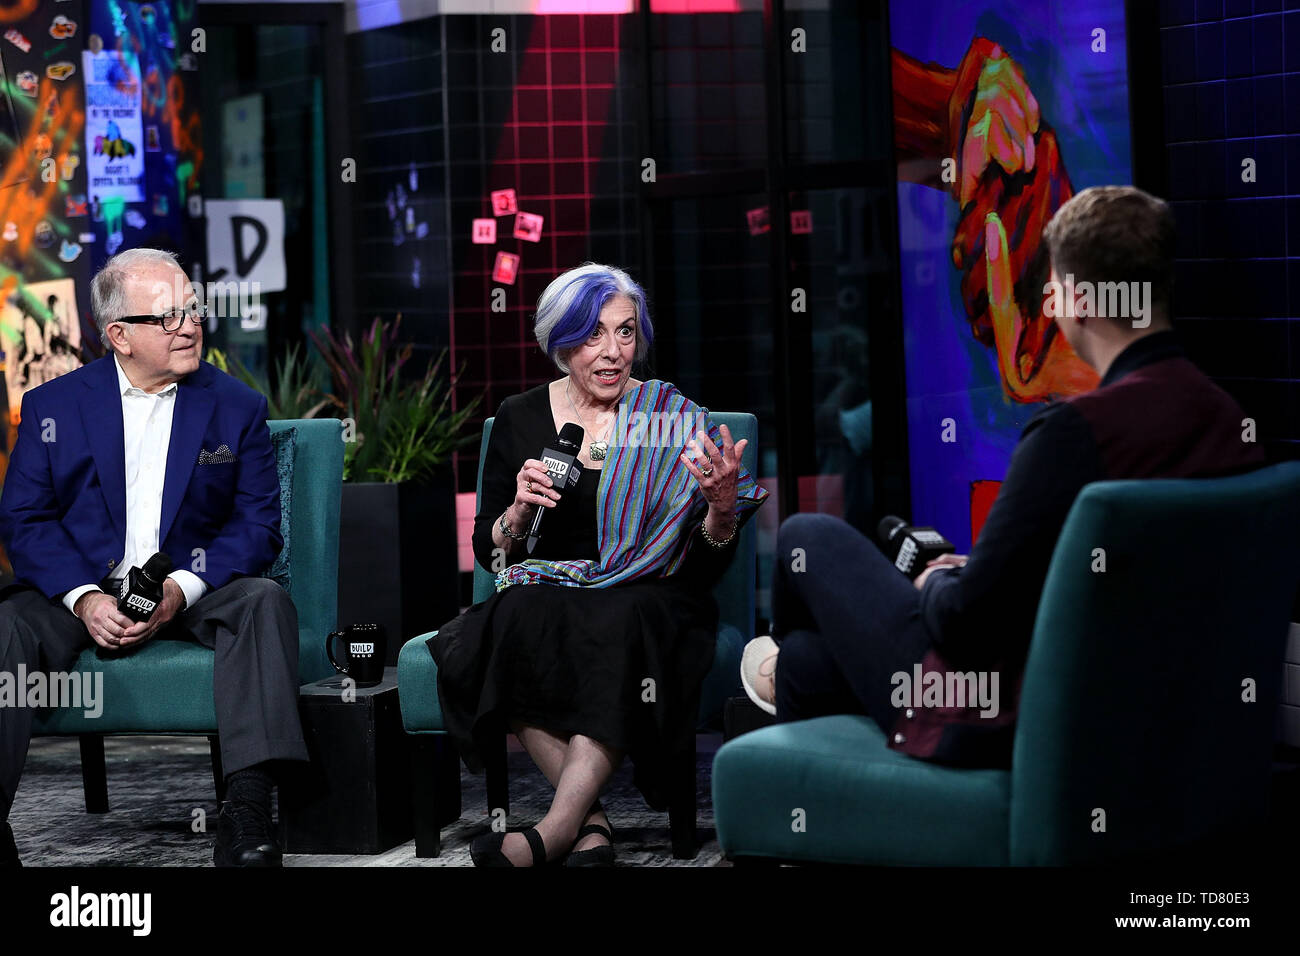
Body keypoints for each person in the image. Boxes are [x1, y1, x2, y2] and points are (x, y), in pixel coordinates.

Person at [743, 186, 1265, 767]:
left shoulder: (1073, 433)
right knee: (809, 664)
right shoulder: (1229, 420)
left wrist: (935, 582)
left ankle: (773, 657)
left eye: (1054, 283)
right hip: (1139, 700)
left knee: (807, 537)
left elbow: (967, 623)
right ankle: (798, 765)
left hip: (1005, 709)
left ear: (1081, 301)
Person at [430, 262, 768, 867]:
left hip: (653, 595)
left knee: (622, 613)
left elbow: (709, 560)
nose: (613, 352)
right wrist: (516, 510)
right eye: (593, 336)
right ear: (561, 343)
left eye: (626, 332)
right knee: (511, 617)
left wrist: (720, 509)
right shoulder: (521, 418)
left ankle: (554, 832)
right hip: (551, 589)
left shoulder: (667, 418)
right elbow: (491, 550)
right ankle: (591, 828)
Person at [0, 247, 306, 868]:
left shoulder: (235, 406)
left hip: (189, 584)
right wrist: (83, 597)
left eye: (192, 310)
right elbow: (25, 521)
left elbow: (256, 525)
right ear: (119, 336)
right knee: (5, 626)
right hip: (81, 586)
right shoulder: (52, 408)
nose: (190, 324)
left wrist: (181, 590)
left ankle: (245, 814)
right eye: (167, 317)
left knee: (263, 601)